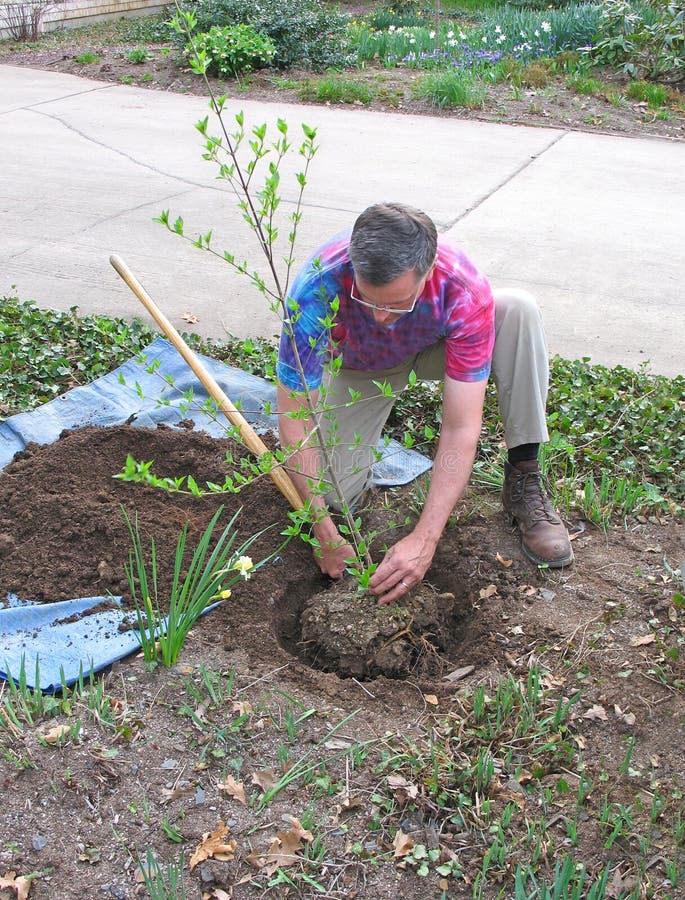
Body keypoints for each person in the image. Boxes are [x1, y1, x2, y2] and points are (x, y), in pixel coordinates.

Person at [276, 202, 572, 605]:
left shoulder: (461, 287)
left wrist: (425, 537)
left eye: (398, 302)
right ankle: (352, 475)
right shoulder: (316, 288)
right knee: (331, 495)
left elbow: (460, 427)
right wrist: (323, 531)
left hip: (436, 348)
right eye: (369, 301)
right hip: (360, 365)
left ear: (428, 270)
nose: (381, 317)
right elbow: (294, 420)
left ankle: (524, 474)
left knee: (518, 309)